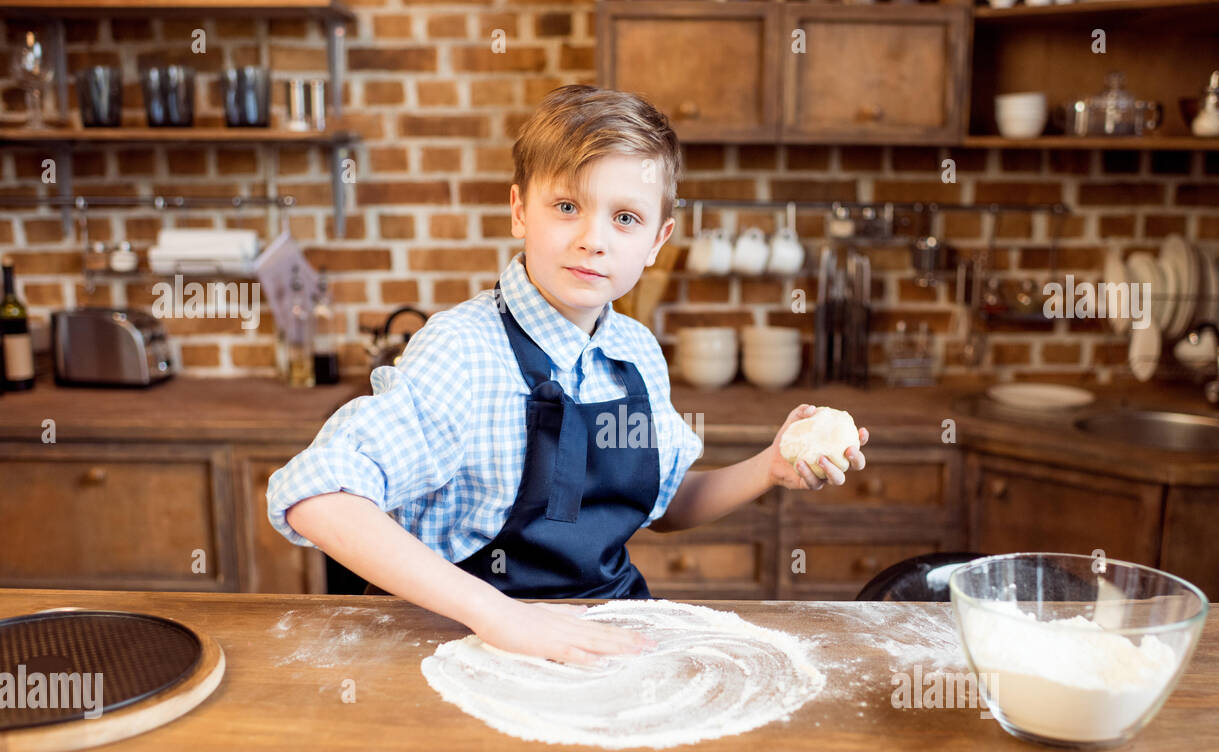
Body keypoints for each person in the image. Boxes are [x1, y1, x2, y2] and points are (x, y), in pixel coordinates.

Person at [266, 84, 868, 665]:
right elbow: (317, 498)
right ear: (519, 210)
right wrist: (498, 613)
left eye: (625, 218)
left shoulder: (635, 352)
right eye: (566, 206)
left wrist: (768, 466)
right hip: (457, 649)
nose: (593, 240)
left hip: (600, 639)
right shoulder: (464, 351)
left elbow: (667, 503)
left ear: (658, 241)